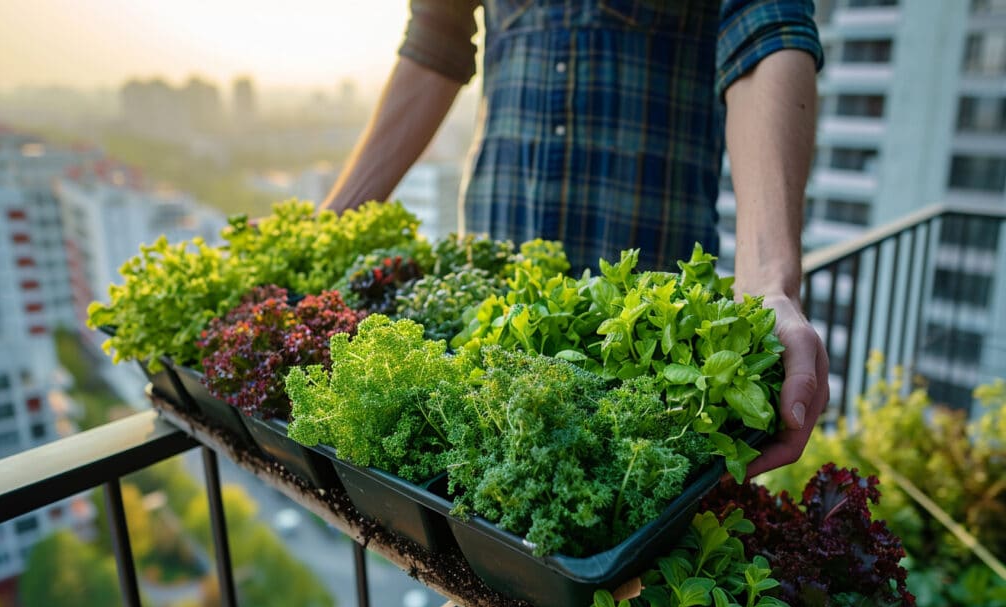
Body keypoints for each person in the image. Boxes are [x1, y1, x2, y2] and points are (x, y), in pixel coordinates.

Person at [322, 0, 829, 478]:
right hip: (494, 284)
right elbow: (435, 40)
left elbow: (766, 22)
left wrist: (767, 286)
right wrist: (327, 229)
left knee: (637, 524)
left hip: (651, 308)